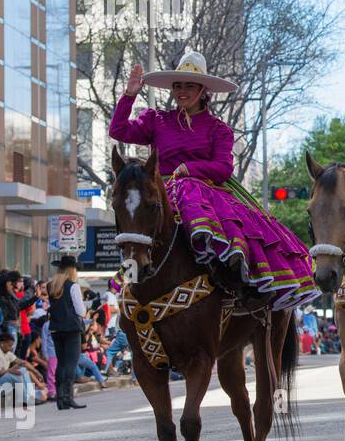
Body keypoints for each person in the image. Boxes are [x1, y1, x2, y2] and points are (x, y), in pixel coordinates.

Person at [110, 52, 316, 311]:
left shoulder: (219, 129)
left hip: (203, 191)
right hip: (161, 189)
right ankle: (132, 278)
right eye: (178, 85)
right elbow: (118, 131)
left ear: (203, 90)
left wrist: (190, 168)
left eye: (190, 85)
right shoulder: (156, 120)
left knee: (217, 218)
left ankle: (230, 281)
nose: (182, 91)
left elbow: (223, 167)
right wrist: (129, 95)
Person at [47, 255, 88, 410]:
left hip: (56, 328)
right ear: (72, 270)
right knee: (71, 363)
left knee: (61, 363)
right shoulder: (73, 286)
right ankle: (68, 396)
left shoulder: (51, 285)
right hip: (71, 328)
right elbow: (81, 311)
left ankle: (60, 398)